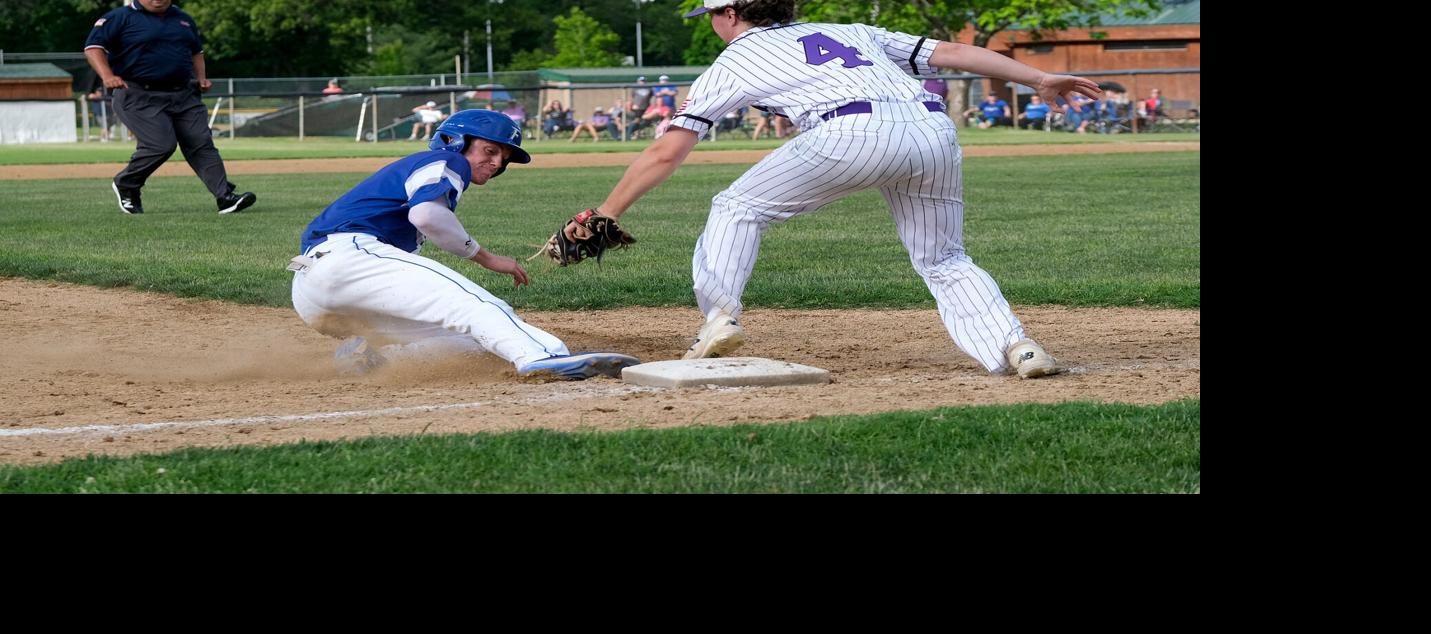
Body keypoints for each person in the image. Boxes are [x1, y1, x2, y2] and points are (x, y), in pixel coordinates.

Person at [564, 0, 1098, 377]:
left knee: (738, 207)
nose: (712, 26)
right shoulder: (852, 30)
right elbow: (954, 51)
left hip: (850, 133)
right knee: (943, 257)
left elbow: (667, 150)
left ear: (730, 13)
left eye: (711, 16)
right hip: (933, 130)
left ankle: (719, 319)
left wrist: (605, 211)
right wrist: (1036, 78)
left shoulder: (737, 56)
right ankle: (1017, 348)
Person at [289, 109, 637, 381]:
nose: (497, 162)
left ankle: (378, 360)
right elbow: (425, 215)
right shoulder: (447, 161)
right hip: (350, 259)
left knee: (477, 339)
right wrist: (486, 258)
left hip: (312, 293)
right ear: (456, 141)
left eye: (503, 158)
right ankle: (545, 356)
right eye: (489, 150)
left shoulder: (430, 169)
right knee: (477, 306)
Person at [84, 0, 256, 216]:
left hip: (184, 93)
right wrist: (107, 76)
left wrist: (201, 78)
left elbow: (196, 51)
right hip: (138, 93)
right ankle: (127, 184)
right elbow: (93, 48)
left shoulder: (183, 19)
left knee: (200, 142)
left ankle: (225, 198)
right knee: (160, 145)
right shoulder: (119, 17)